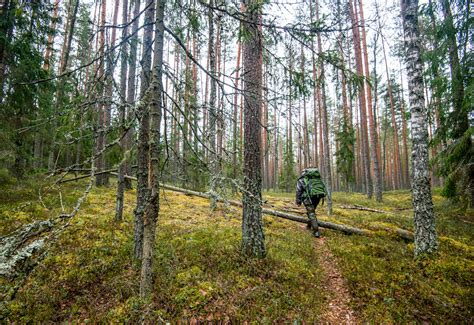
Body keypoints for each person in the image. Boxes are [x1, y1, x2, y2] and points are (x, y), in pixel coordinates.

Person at [295, 167, 327, 238]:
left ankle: (316, 231)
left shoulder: (301, 180)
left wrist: (298, 201)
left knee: (311, 213)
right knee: (311, 212)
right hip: (317, 197)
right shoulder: (316, 179)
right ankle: (309, 225)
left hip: (307, 198)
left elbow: (298, 190)